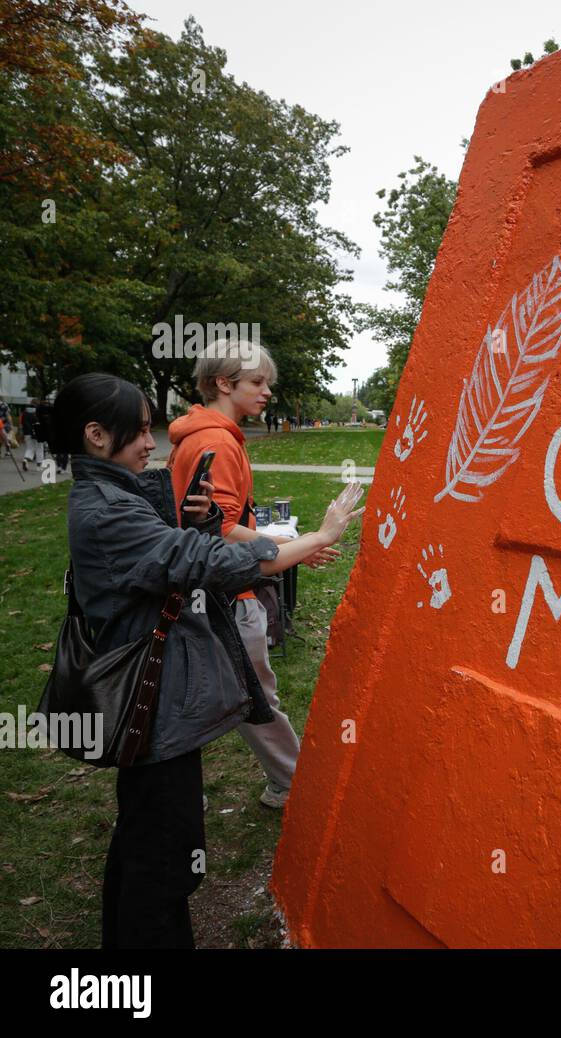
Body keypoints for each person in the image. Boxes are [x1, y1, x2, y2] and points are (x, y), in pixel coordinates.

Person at [52, 372, 364, 948]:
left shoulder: (114, 494)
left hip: (159, 705)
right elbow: (209, 561)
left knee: (144, 837)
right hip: (153, 710)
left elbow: (175, 548)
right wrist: (318, 537)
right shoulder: (107, 513)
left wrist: (190, 518)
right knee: (167, 859)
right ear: (96, 434)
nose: (153, 445)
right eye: (139, 432)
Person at [167, 342, 338, 810]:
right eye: (256, 383)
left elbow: (216, 522)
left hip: (205, 589)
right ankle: (292, 784)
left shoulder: (205, 435)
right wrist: (305, 543)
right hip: (226, 593)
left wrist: (292, 549)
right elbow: (220, 529)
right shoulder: (216, 441)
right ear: (224, 384)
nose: (266, 393)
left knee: (196, 696)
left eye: (267, 384)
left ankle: (172, 795)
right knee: (254, 694)